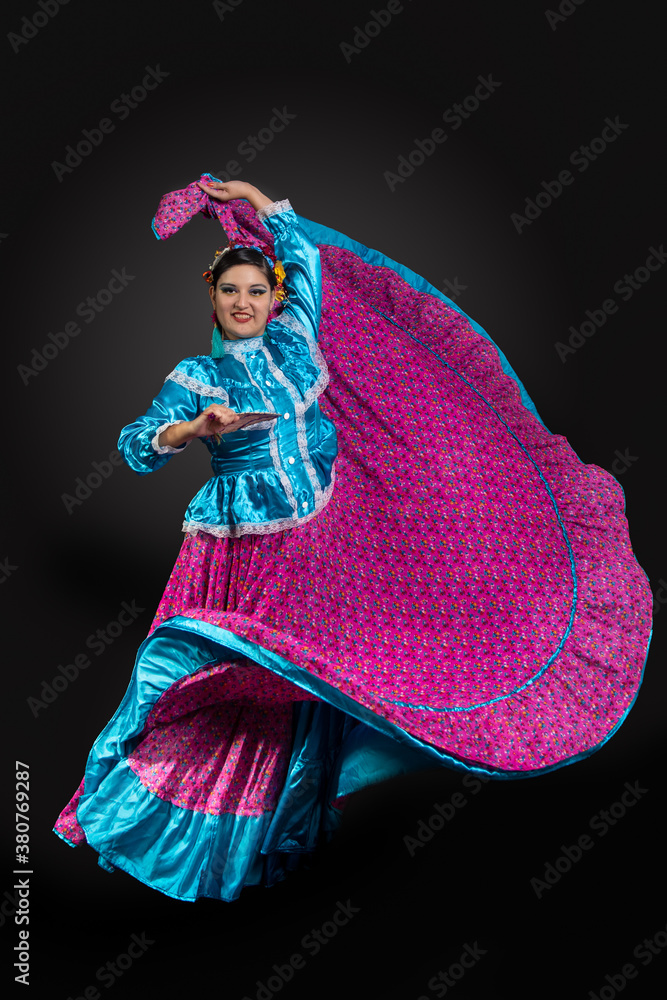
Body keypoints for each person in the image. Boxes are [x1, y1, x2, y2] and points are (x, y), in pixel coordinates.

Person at [54, 173, 653, 903]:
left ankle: (275, 831)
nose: (243, 303)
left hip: (314, 543)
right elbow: (136, 445)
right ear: (212, 301)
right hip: (237, 552)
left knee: (309, 685)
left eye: (255, 291)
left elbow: (301, 253)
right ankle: (165, 826)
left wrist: (249, 193)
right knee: (223, 678)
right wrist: (192, 428)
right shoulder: (196, 376)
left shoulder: (296, 343)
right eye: (229, 293)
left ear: (272, 300)